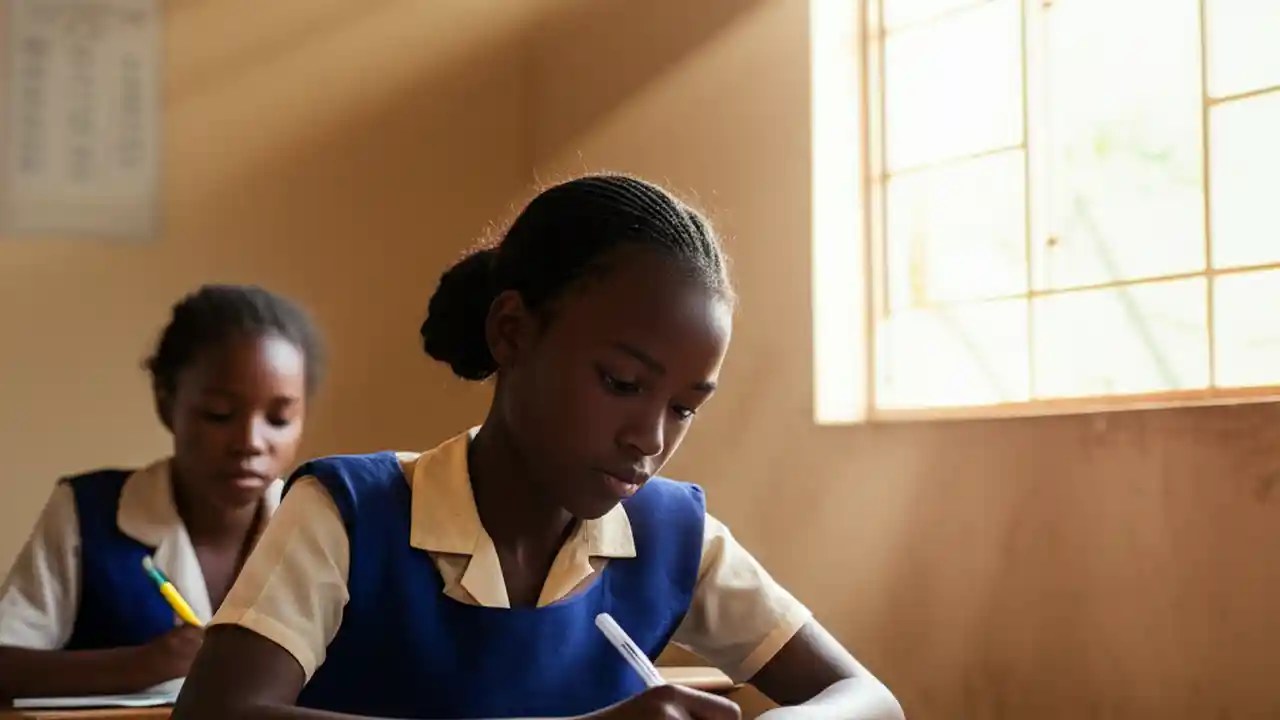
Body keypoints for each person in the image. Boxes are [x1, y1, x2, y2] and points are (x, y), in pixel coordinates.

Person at [174, 176, 903, 720]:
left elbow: (870, 699)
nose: (649, 439)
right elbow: (216, 716)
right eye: (621, 382)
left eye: (683, 407)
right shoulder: (349, 515)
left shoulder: (672, 538)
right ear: (513, 332)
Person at [0, 284, 325, 702]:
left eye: (279, 419)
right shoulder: (89, 511)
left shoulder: (318, 525)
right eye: (219, 415)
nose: (250, 441)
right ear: (165, 401)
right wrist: (143, 665)